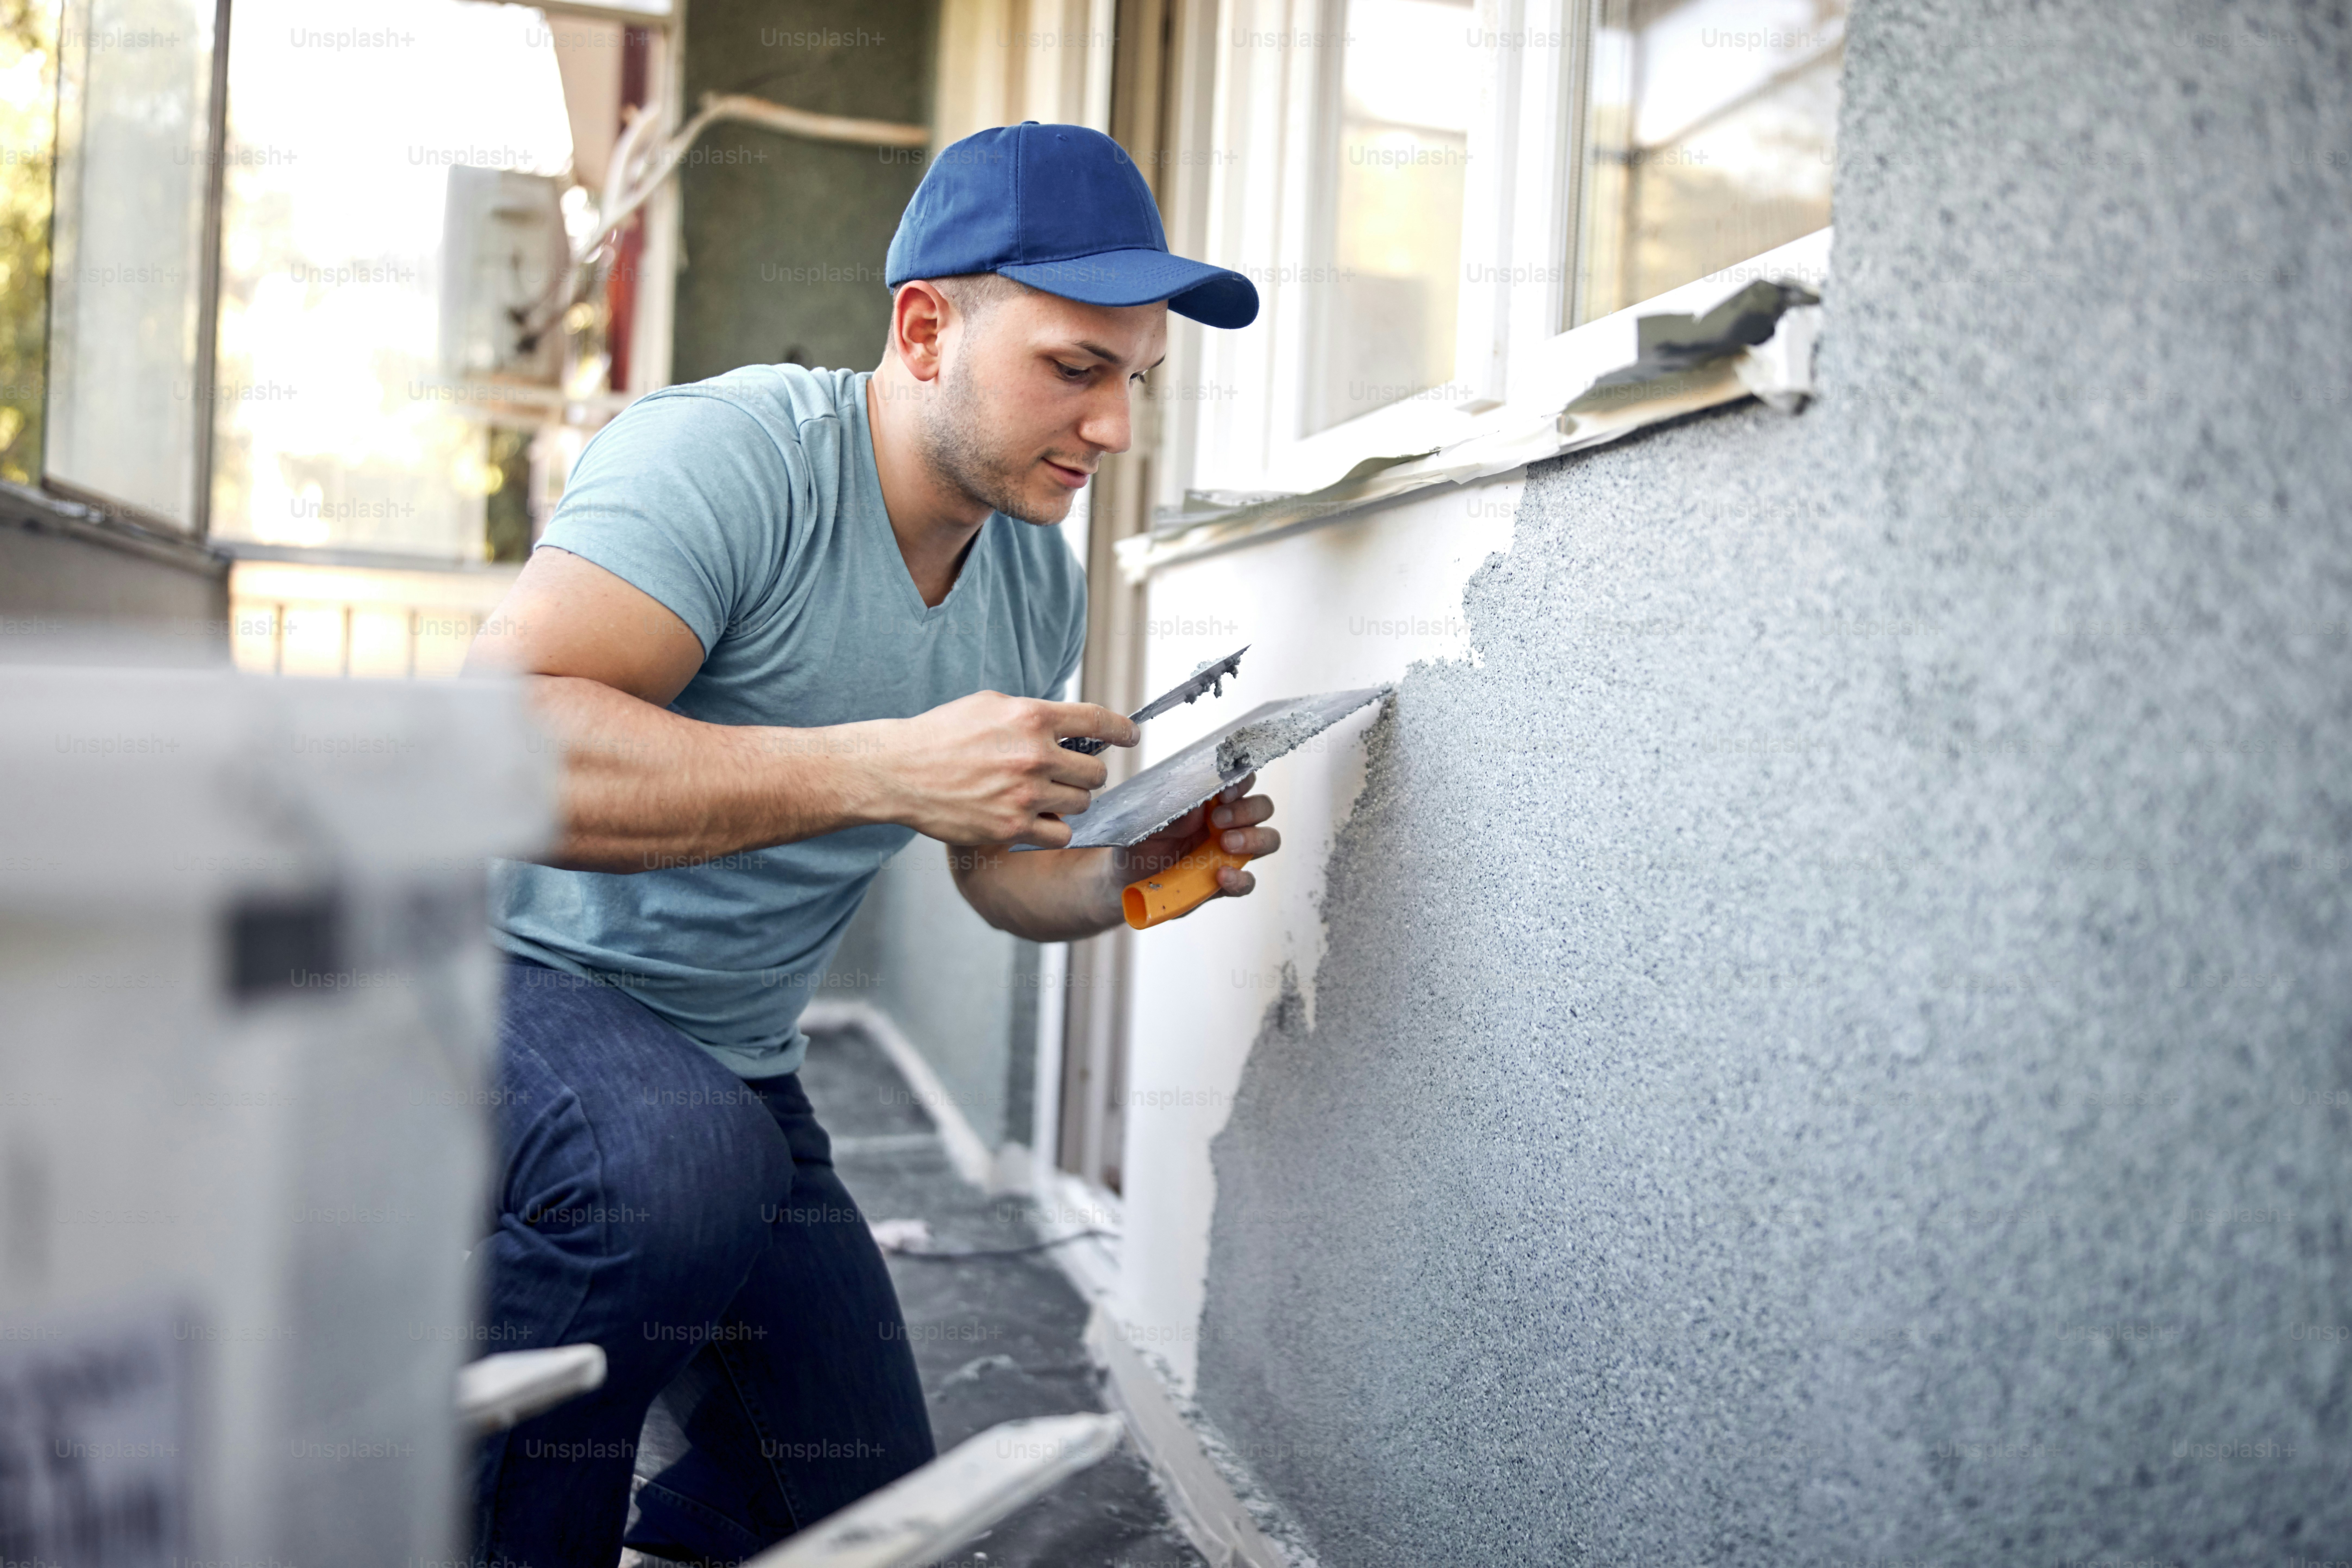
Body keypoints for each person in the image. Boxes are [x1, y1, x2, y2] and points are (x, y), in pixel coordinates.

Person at [461, 121, 1275, 1564]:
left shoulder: (1032, 580)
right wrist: (884, 766)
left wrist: (1141, 876)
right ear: (921, 329)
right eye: (1074, 371)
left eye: (1135, 381)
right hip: (479, 985)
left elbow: (1000, 866)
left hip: (734, 1069)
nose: (1114, 431)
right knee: (668, 1162)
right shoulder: (731, 457)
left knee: (847, 1510)